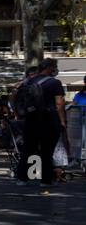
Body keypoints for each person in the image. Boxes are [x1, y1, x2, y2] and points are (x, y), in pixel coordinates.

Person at [16, 57, 67, 187]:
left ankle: (22, 178)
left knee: (28, 150)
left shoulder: (27, 81)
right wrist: (62, 121)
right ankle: (45, 180)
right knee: (47, 151)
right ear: (49, 68)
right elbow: (59, 103)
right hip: (49, 120)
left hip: (30, 120)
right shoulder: (55, 83)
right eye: (54, 67)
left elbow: (16, 97)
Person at [71, 83, 86, 167]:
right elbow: (73, 105)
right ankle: (77, 159)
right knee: (80, 141)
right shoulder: (79, 95)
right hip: (80, 121)